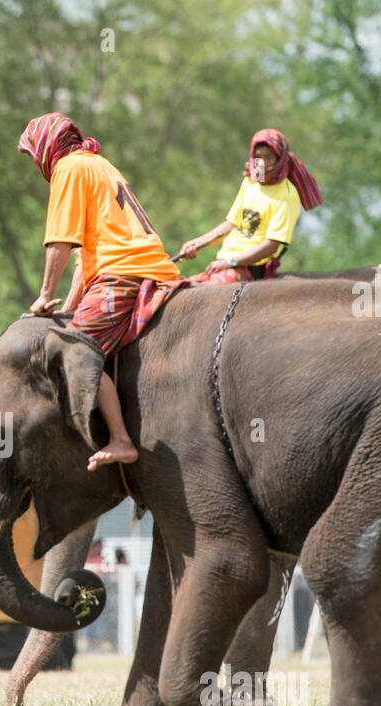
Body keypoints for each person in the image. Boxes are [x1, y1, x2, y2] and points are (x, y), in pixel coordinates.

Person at [19, 112, 183, 472]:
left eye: (34, 155)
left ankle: (122, 440)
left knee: (74, 350)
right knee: (73, 330)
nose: (37, 164)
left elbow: (61, 241)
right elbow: (85, 260)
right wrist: (68, 308)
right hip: (138, 269)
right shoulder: (97, 164)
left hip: (122, 274)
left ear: (48, 149)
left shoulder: (69, 168)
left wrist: (45, 294)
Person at [178, 128, 321, 284]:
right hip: (224, 264)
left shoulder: (286, 195)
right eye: (258, 157)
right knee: (171, 288)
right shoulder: (250, 182)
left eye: (269, 157)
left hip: (249, 269)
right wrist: (197, 244)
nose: (263, 164)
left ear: (280, 159)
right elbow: (232, 225)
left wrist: (231, 262)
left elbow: (272, 245)